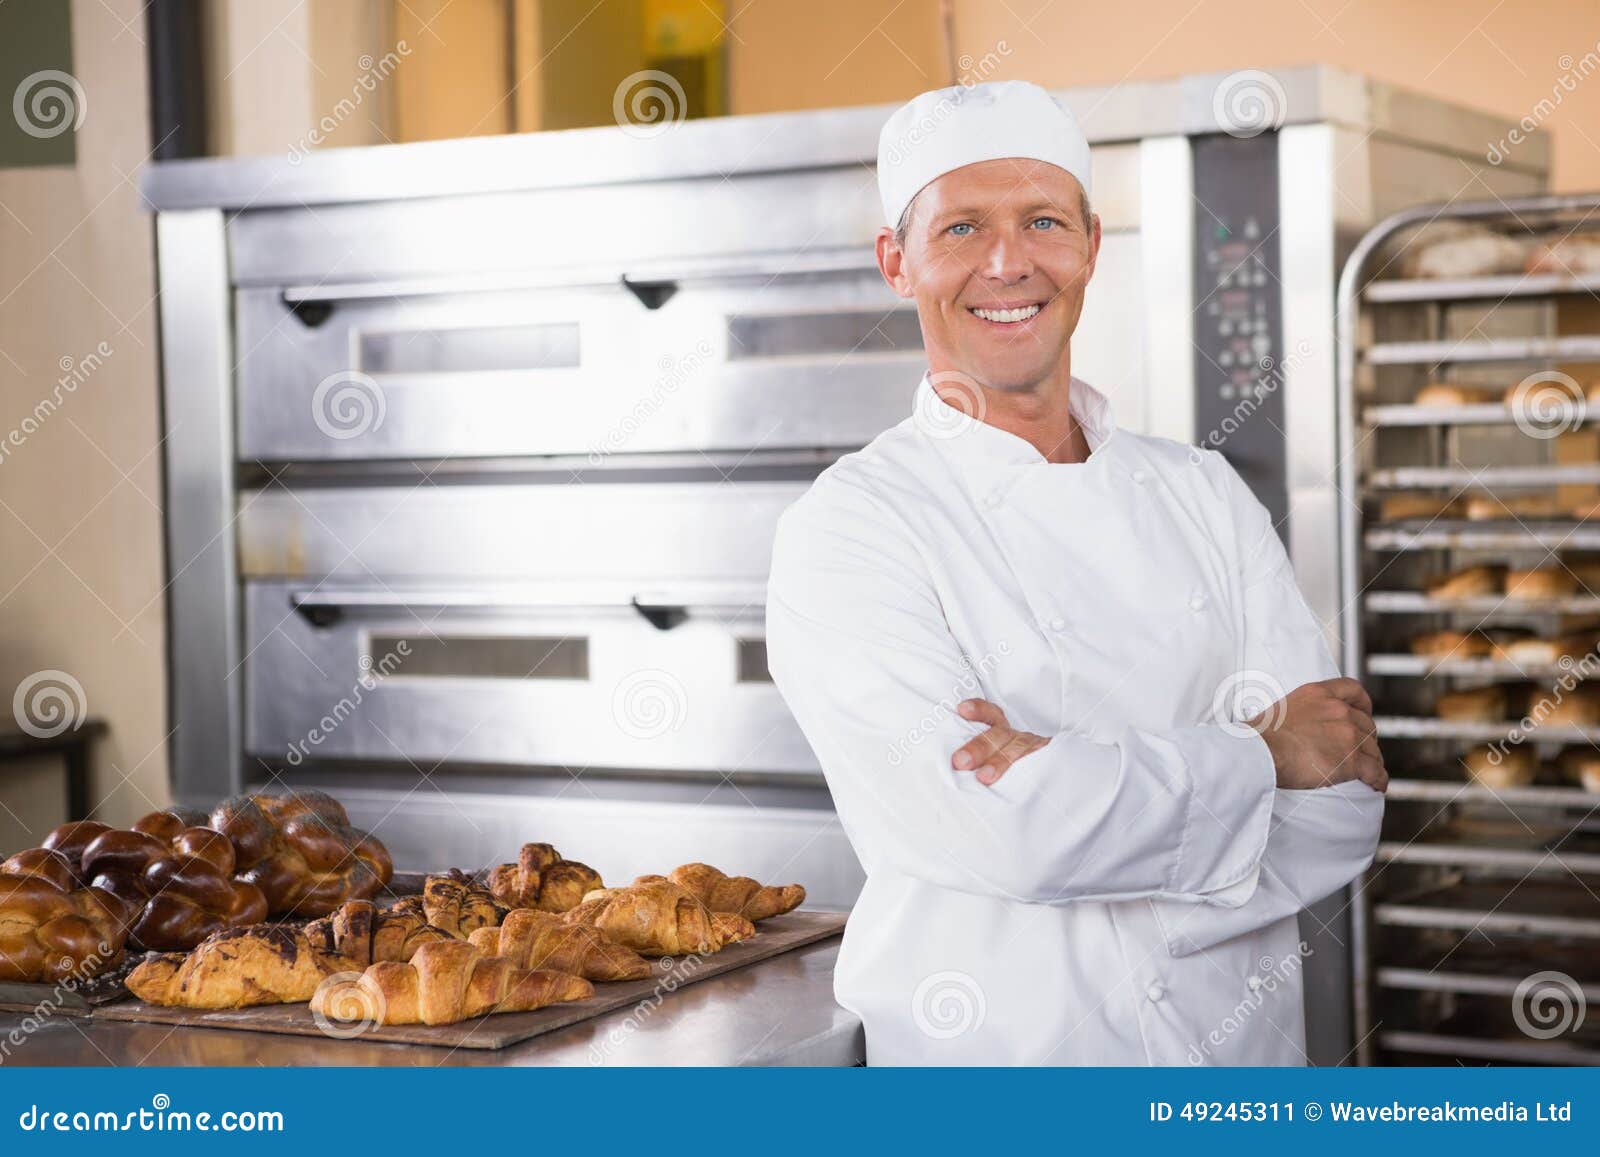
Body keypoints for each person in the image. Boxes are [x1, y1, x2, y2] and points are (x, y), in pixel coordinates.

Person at [765, 80, 1385, 1065]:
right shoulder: (851, 527)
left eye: (1042, 221)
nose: (1007, 262)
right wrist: (1260, 754)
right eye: (961, 227)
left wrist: (1071, 788)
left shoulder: (1203, 489)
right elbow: (1012, 835)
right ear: (897, 261)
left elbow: (1342, 800)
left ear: (1091, 243)